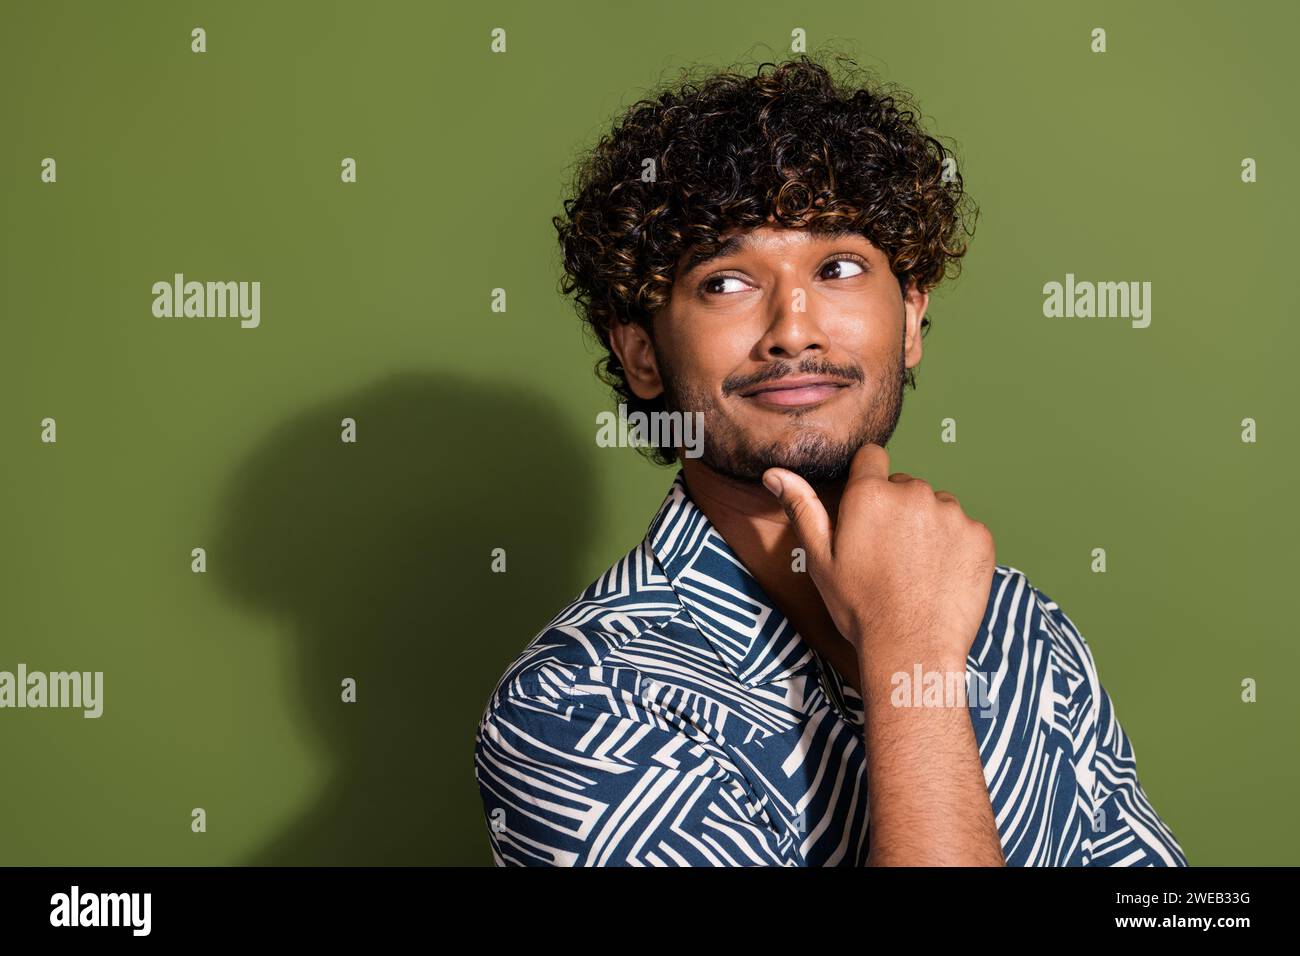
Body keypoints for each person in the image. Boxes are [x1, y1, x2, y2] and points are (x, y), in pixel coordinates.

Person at [473, 53, 1187, 866]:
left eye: (838, 267)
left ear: (911, 318)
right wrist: (909, 654)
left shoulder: (1020, 624)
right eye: (727, 282)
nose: (794, 328)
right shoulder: (578, 707)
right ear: (642, 356)